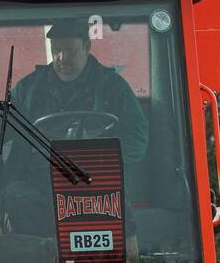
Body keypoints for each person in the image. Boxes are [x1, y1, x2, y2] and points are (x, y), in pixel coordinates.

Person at [9, 17, 148, 163]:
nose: (62, 58)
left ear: (87, 47)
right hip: (39, 174)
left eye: (70, 50)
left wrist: (107, 164)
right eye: (56, 50)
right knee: (16, 186)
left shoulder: (114, 87)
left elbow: (136, 136)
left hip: (96, 173)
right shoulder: (28, 88)